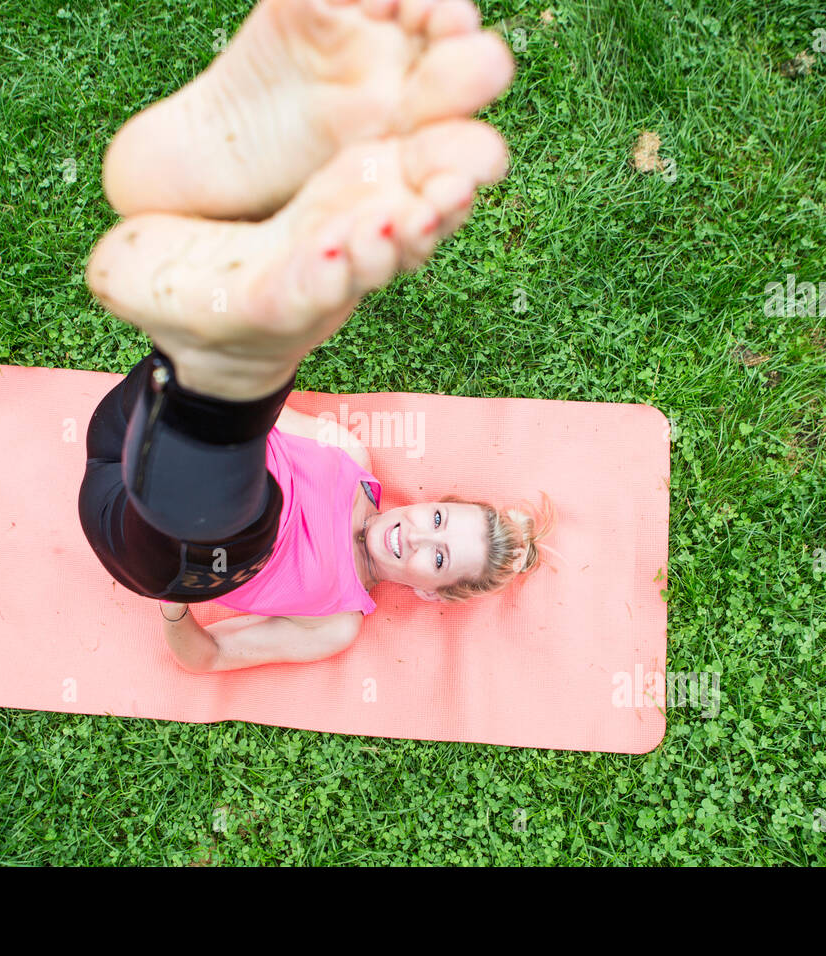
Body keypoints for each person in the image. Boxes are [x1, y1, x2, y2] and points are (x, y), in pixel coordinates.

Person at [78, 0, 555, 673]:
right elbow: (270, 436)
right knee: (248, 431)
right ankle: (241, 226)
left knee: (237, 525)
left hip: (154, 537)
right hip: (137, 430)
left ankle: (233, 331)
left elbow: (206, 659)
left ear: (428, 592)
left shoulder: (335, 620)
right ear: (432, 503)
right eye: (440, 522)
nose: (421, 539)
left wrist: (171, 603)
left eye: (439, 560)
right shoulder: (349, 452)